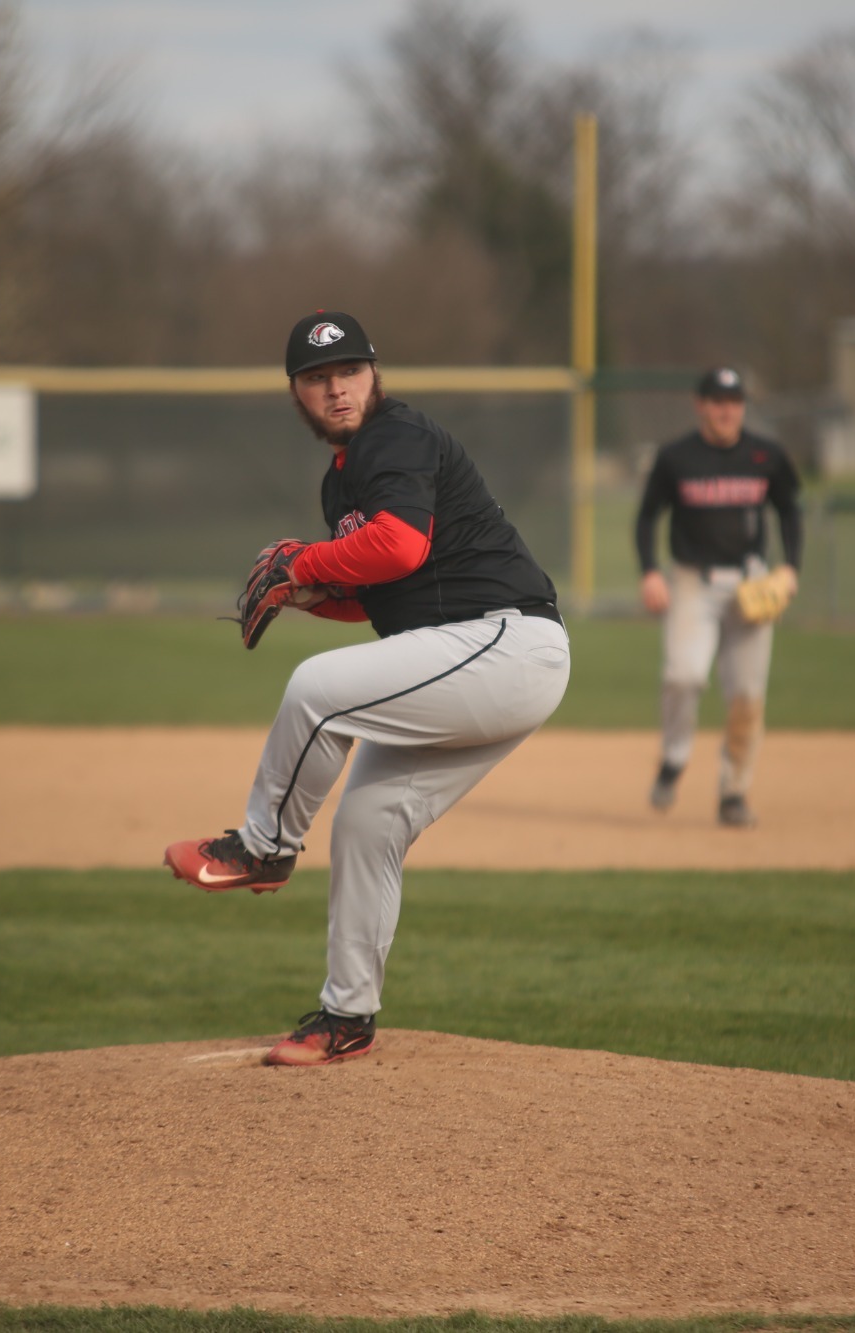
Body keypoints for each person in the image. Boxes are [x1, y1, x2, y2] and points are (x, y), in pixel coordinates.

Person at [164, 311, 571, 1067]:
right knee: (368, 822)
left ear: (374, 375)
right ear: (297, 394)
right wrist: (305, 589)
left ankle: (263, 846)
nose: (337, 389)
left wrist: (307, 561)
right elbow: (381, 590)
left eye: (348, 372)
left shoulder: (398, 437)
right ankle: (347, 1015)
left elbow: (400, 543)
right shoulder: (342, 481)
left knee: (316, 688)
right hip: (469, 653)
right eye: (318, 379)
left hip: (505, 642)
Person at [634, 366, 802, 829]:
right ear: (701, 405)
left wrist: (791, 567)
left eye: (734, 402)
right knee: (684, 676)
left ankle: (733, 792)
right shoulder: (676, 458)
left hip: (751, 584)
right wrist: (650, 572)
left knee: (747, 696)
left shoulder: (765, 455)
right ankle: (674, 757)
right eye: (718, 401)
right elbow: (647, 516)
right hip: (692, 581)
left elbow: (790, 509)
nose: (727, 410)